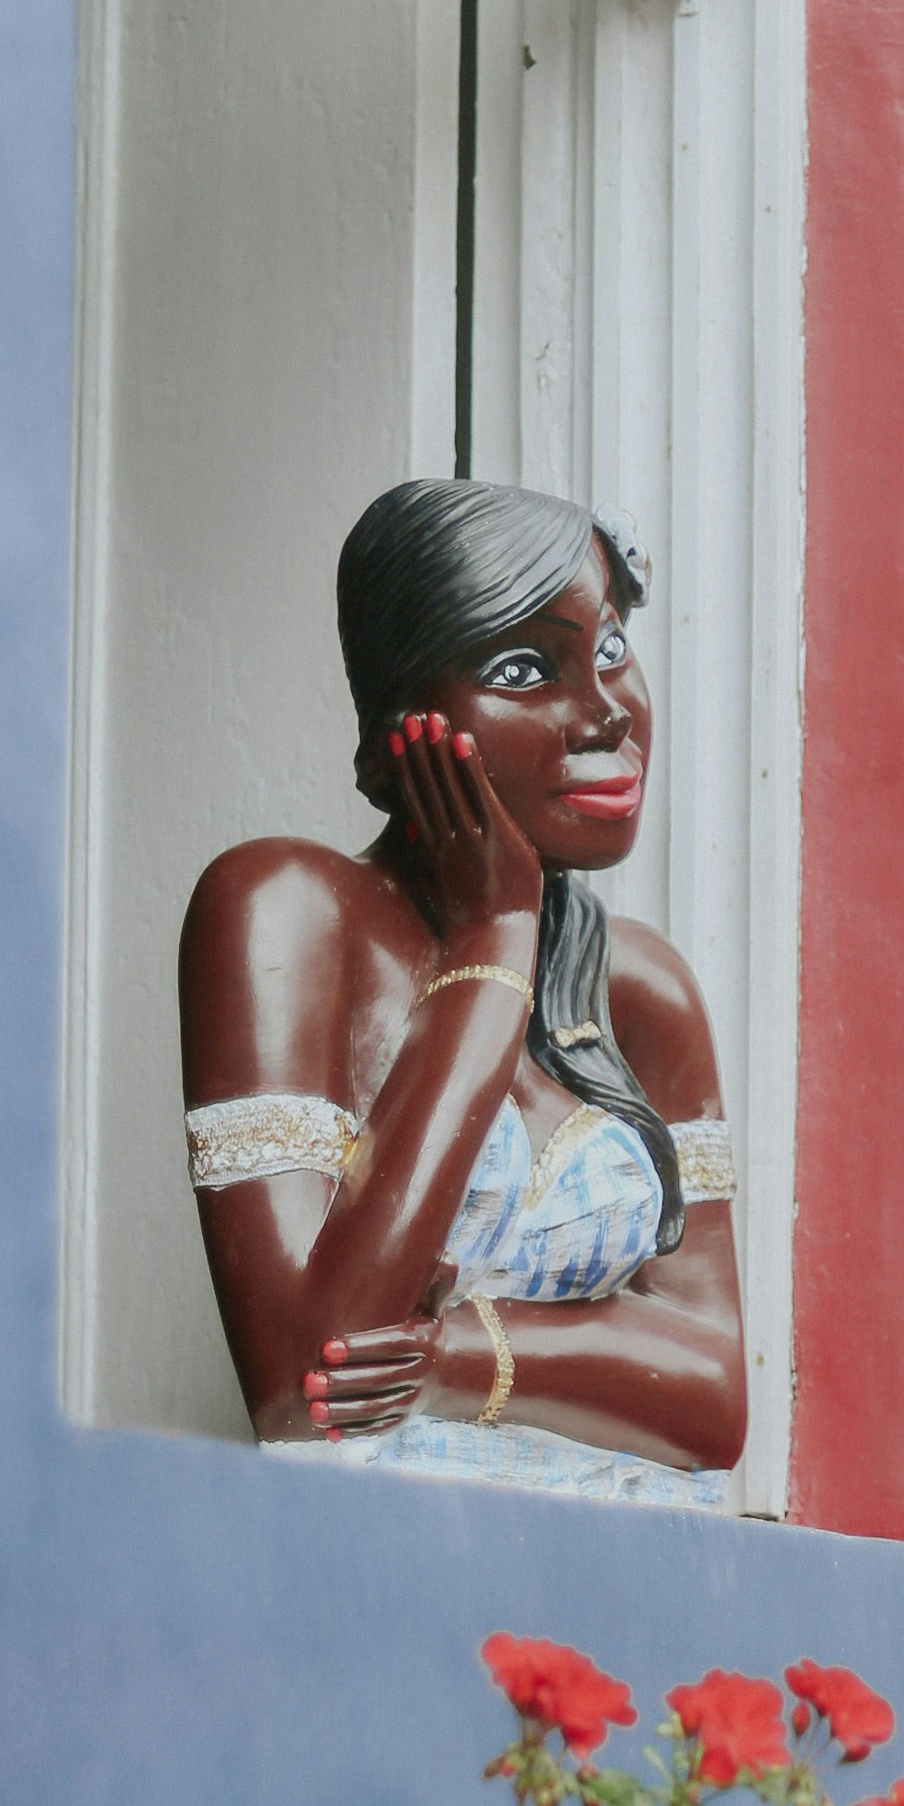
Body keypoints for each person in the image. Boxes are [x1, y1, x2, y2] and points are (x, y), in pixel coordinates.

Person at [178, 478, 746, 1506]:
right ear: (406, 722)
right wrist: (494, 946)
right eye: (527, 668)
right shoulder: (287, 912)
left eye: (611, 646)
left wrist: (458, 1357)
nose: (607, 710)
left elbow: (716, 1399)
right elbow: (306, 1378)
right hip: (382, 1588)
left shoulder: (646, 989)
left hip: (641, 1600)